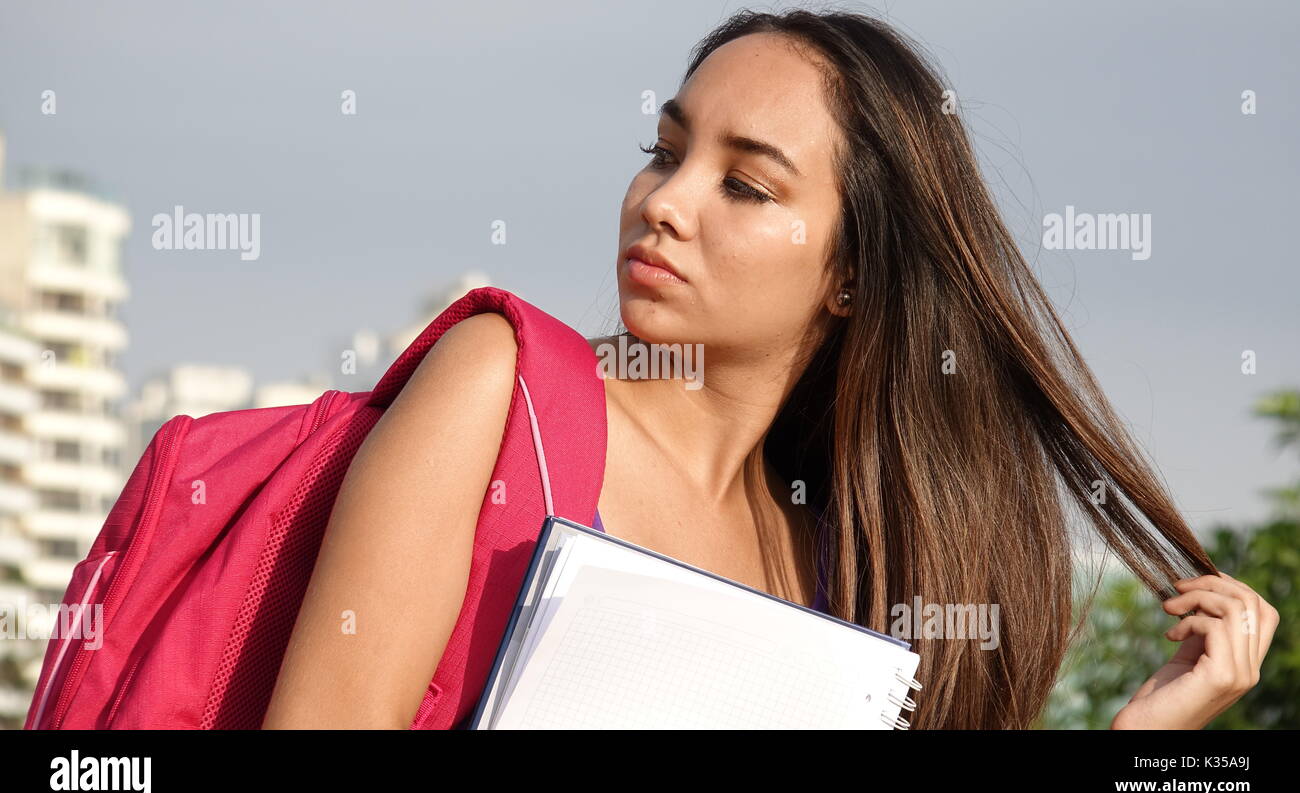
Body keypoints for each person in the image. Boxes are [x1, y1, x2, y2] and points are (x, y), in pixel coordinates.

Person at [263, 8, 1277, 730]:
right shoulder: (499, 387)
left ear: (849, 273)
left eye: (743, 184)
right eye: (665, 151)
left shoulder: (836, 568)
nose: (662, 200)